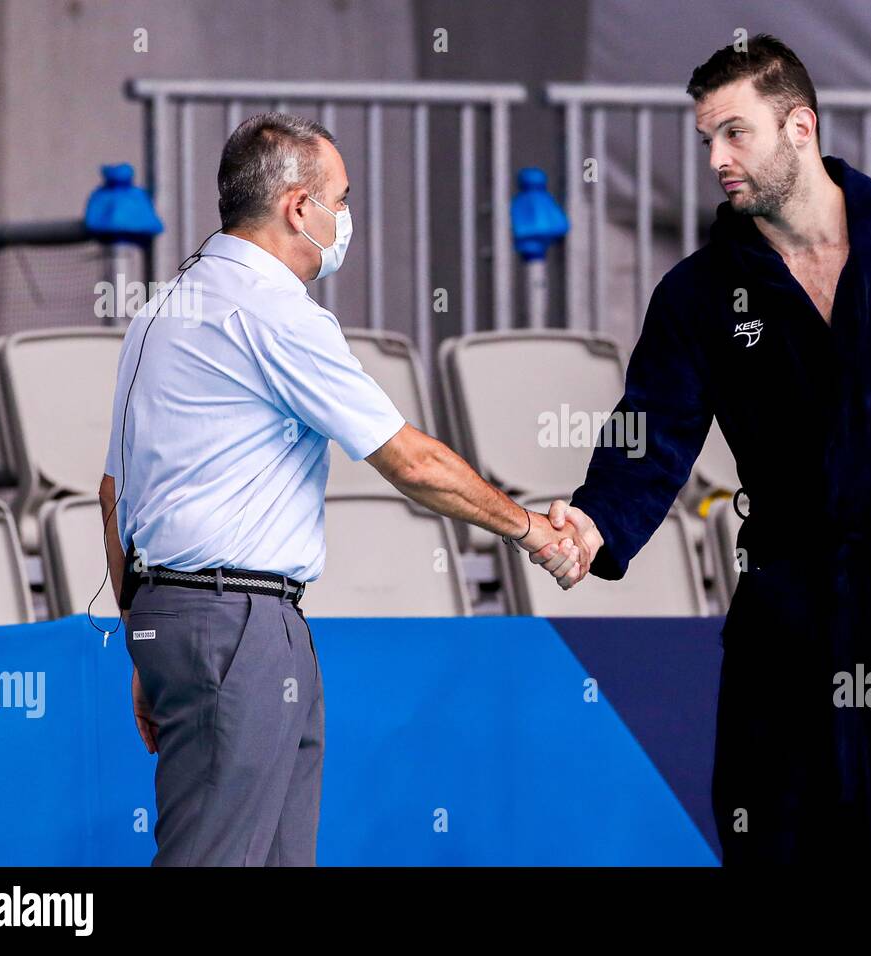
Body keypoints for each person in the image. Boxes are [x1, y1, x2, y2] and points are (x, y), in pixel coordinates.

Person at [532, 35, 871, 865]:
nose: (716, 158)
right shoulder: (700, 293)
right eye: (706, 139)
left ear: (800, 127)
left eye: (734, 133)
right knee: (783, 832)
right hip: (794, 603)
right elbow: (651, 431)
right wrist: (597, 523)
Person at [99, 112, 587, 866]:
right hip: (238, 625)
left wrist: (147, 637)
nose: (347, 218)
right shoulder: (276, 313)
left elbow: (112, 493)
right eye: (343, 198)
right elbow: (412, 462)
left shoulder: (158, 313)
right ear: (300, 207)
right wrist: (532, 530)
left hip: (199, 618)